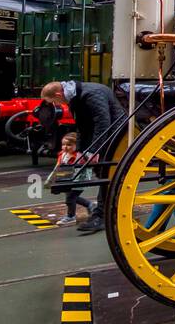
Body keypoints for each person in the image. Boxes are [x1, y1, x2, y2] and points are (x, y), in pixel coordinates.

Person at [40, 80, 125, 234]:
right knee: (102, 175)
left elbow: (103, 123)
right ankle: (103, 211)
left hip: (115, 136)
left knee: (106, 175)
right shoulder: (75, 98)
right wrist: (80, 150)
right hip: (104, 136)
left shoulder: (91, 94)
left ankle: (102, 215)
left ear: (59, 94)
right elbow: (82, 126)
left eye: (54, 102)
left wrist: (93, 151)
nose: (56, 105)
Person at [53, 133, 95, 226]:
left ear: (76, 145)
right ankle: (89, 205)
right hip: (67, 179)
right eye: (63, 144)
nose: (66, 147)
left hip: (79, 180)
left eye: (69, 145)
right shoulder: (63, 154)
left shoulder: (80, 155)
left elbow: (91, 161)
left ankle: (71, 216)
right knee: (72, 197)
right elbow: (58, 166)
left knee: (70, 198)